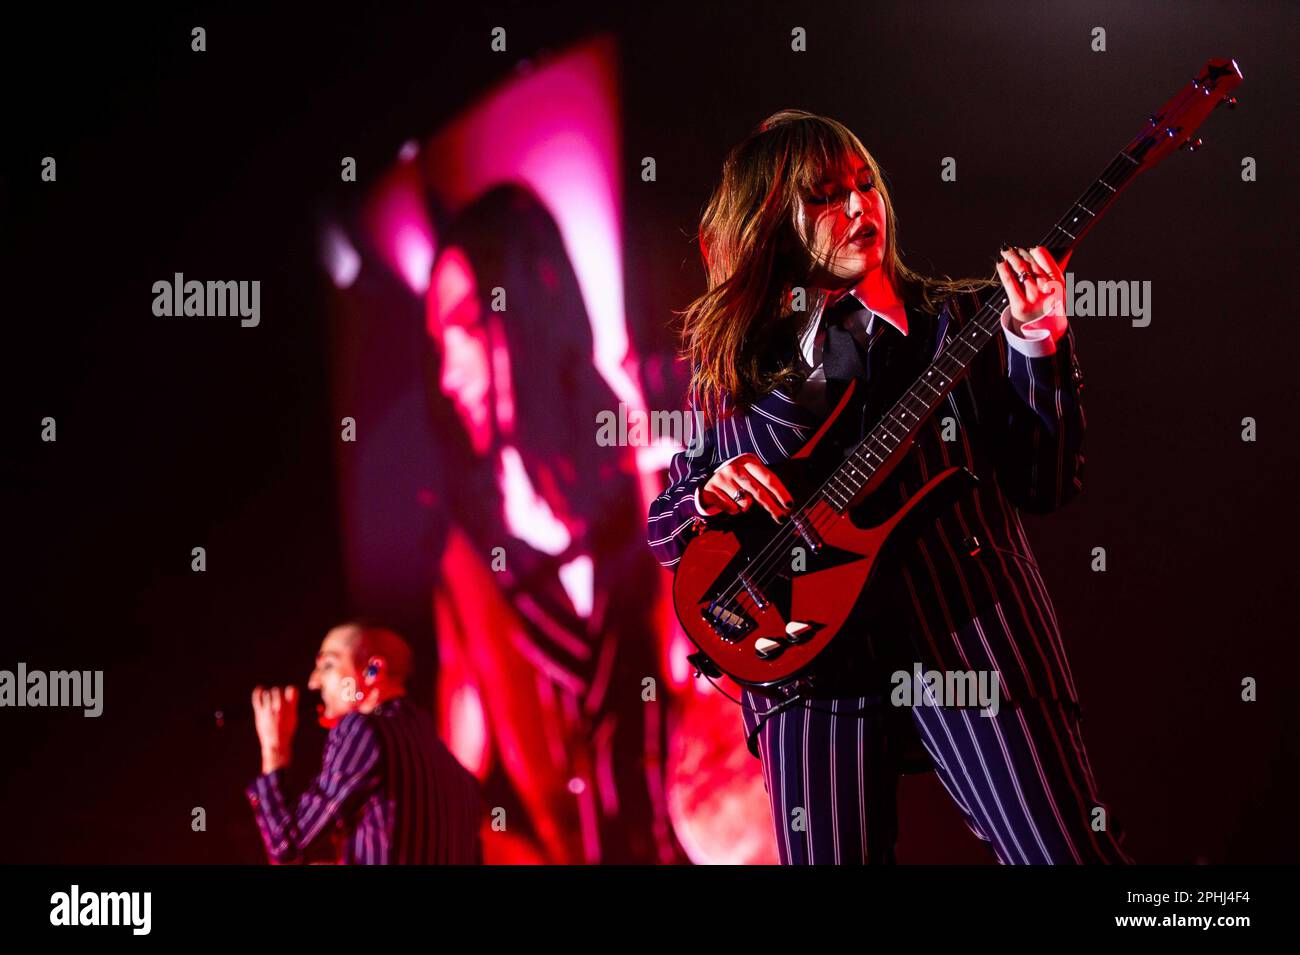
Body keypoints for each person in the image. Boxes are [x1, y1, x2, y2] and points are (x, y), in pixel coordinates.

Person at [647, 109, 1133, 864]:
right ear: (774, 224)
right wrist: (712, 491)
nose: (858, 207)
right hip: (809, 676)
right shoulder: (735, 382)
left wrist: (1038, 341)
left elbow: (1048, 480)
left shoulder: (968, 320)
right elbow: (664, 522)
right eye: (825, 196)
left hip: (973, 638)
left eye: (865, 185)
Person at [247, 622, 483, 864]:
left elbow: (287, 846)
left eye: (328, 665)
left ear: (373, 670)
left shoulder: (362, 729)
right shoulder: (462, 778)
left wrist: (274, 747)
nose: (313, 683)